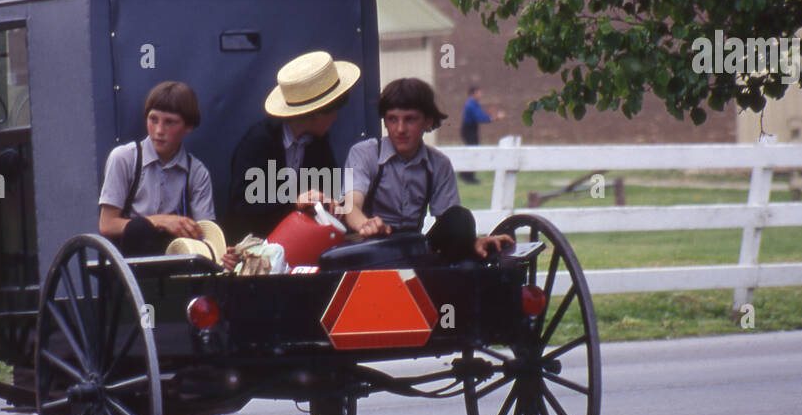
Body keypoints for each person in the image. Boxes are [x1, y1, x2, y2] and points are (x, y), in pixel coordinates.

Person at [342, 78, 513, 262]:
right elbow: (351, 206)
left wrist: (471, 241)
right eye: (392, 119)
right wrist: (366, 225)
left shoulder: (439, 164)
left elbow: (452, 225)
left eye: (410, 120)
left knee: (461, 218)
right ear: (384, 121)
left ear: (428, 122)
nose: (400, 129)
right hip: (369, 249)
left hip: (414, 250)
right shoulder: (364, 154)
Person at [224, 50, 361, 243]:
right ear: (315, 114)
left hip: (303, 241)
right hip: (257, 244)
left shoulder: (318, 143)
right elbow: (243, 206)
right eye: (331, 111)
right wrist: (295, 202)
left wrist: (330, 202)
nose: (335, 117)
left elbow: (328, 189)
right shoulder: (258, 143)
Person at [98, 81, 217, 257]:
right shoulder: (124, 158)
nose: (159, 130)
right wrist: (160, 221)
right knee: (139, 229)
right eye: (153, 119)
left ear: (188, 126)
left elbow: (205, 232)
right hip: (129, 257)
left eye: (170, 122)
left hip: (175, 255)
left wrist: (219, 253)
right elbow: (107, 225)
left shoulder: (197, 172)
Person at [459, 85, 505, 183]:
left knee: (473, 151)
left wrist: (490, 115)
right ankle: (467, 177)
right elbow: (480, 118)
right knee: (472, 152)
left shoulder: (474, 104)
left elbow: (481, 116)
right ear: (473, 93)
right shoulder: (471, 105)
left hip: (471, 130)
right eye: (479, 92)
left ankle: (467, 175)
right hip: (469, 130)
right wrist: (495, 117)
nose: (481, 94)